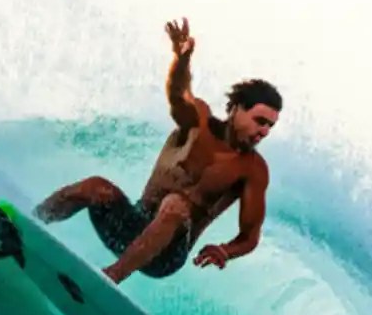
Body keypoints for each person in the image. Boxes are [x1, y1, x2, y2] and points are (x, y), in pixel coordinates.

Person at [34, 17, 282, 284]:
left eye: (270, 126)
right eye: (260, 121)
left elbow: (250, 236)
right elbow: (178, 94)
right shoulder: (197, 122)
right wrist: (182, 59)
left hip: (167, 255)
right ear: (236, 109)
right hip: (132, 225)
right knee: (96, 187)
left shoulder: (252, 169)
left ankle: (109, 277)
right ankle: (29, 221)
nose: (264, 131)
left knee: (175, 205)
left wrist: (225, 251)